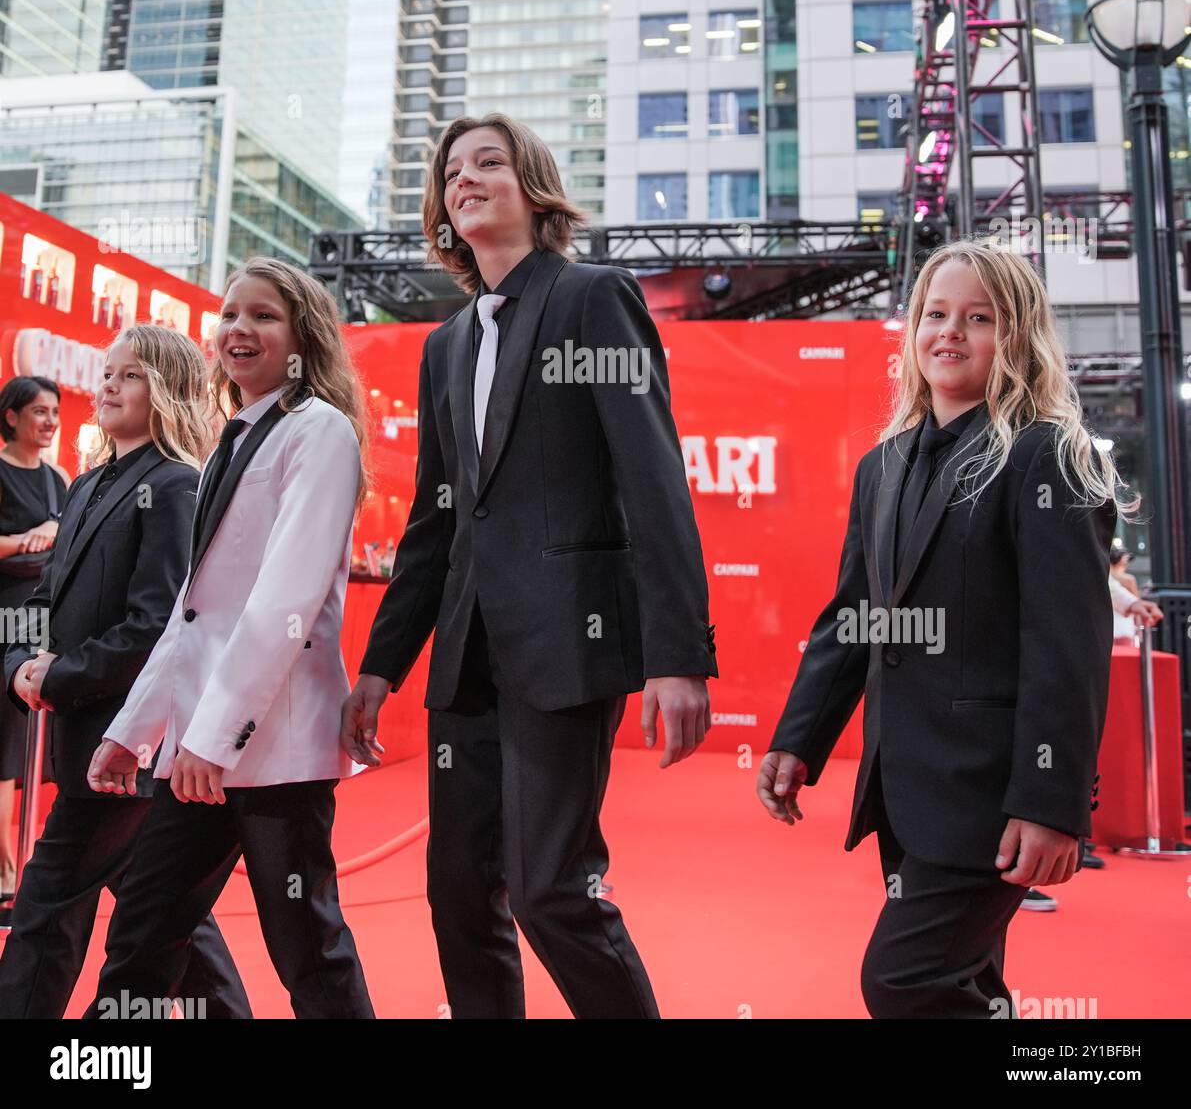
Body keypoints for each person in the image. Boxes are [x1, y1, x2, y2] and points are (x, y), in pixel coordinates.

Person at [341, 112, 717, 1019]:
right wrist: (382, 667)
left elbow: (652, 477)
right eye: (450, 171)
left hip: (567, 645)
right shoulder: (445, 345)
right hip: (466, 656)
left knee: (553, 892)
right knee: (459, 896)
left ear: (533, 185)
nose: (464, 179)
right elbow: (436, 523)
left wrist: (678, 654)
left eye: (488, 162)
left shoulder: (594, 296)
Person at [756, 238, 1136, 1019]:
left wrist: (1052, 802)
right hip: (905, 786)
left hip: (994, 794)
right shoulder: (882, 465)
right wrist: (798, 740)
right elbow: (852, 620)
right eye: (935, 314)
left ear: (1018, 335)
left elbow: (1064, 649)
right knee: (968, 988)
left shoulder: (1047, 456)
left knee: (904, 983)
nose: (949, 333)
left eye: (978, 318)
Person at [84, 258, 374, 1020]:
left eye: (264, 316)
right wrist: (132, 731)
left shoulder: (321, 433)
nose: (239, 329)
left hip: (270, 749)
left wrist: (211, 740)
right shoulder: (231, 441)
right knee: (143, 934)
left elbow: (286, 601)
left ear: (302, 338)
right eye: (230, 315)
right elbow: (194, 612)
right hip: (198, 752)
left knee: (306, 946)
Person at [0, 326, 249, 1018]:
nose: (108, 384)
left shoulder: (175, 486)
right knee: (166, 912)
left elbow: (159, 625)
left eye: (130, 375)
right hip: (87, 735)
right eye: (106, 373)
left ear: (165, 389)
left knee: (47, 903)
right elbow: (44, 600)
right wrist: (20, 663)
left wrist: (61, 676)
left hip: (130, 743)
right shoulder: (83, 486)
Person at [0, 375, 68, 914]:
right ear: (11, 416)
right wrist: (26, 540)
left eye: (54, 412)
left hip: (35, 618)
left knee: (26, 740)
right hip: (1, 608)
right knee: (4, 746)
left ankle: (18, 864)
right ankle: (6, 870)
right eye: (38, 411)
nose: (48, 421)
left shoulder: (57, 478)